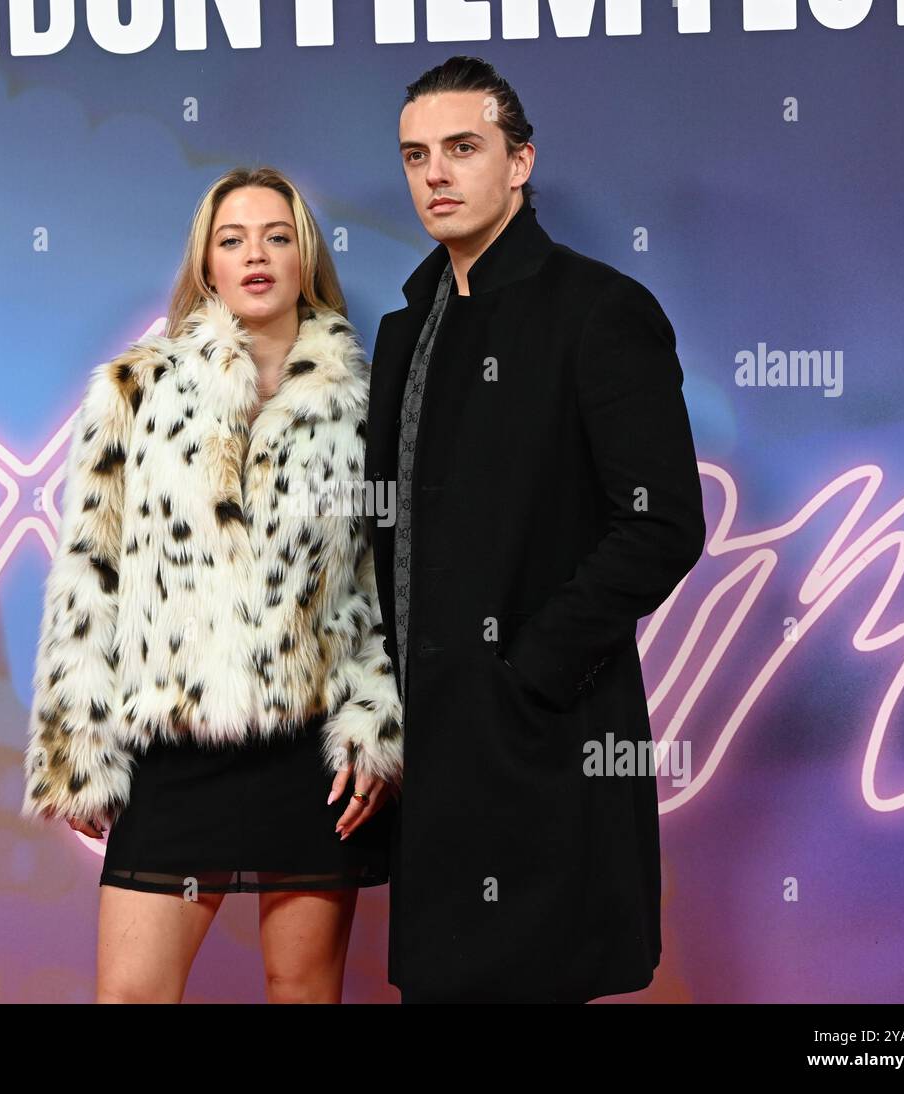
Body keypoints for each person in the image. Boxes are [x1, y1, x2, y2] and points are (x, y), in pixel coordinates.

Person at [366, 57, 707, 1002]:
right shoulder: (408, 326)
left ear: (519, 162)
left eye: (462, 149)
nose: (435, 174)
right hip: (427, 757)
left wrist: (530, 668)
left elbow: (664, 523)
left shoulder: (600, 311)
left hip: (545, 745)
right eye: (416, 155)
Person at [21, 168, 403, 1003]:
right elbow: (90, 570)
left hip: (310, 754)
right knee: (131, 995)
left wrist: (376, 723)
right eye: (233, 239)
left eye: (277, 237)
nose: (256, 255)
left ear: (304, 257)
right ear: (207, 264)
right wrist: (75, 747)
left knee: (301, 991)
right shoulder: (135, 389)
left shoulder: (370, 406)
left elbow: (386, 589)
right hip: (174, 744)